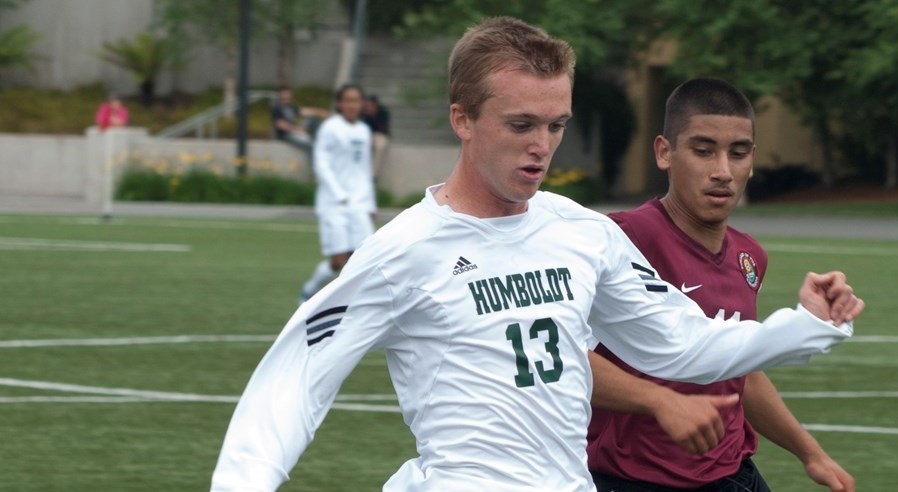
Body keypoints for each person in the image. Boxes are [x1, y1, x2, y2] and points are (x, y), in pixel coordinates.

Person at [211, 17, 863, 492]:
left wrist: (806, 327)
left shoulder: (580, 231)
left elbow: (678, 345)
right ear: (463, 119)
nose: (541, 147)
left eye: (556, 125)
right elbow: (294, 380)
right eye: (521, 124)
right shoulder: (404, 250)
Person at [587, 78, 855, 492]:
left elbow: (740, 372)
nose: (722, 172)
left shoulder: (749, 256)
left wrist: (809, 452)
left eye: (738, 153)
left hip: (734, 474)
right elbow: (561, 355)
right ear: (664, 153)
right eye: (703, 150)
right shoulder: (617, 240)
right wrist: (659, 401)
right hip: (634, 481)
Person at [298, 84, 376, 303]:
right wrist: (339, 194)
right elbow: (321, 164)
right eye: (348, 100)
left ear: (362, 104)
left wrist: (370, 204)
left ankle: (345, 306)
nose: (352, 105)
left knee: (362, 259)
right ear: (339, 104)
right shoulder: (330, 128)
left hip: (359, 203)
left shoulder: (363, 130)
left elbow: (364, 169)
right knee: (338, 260)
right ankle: (310, 289)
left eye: (356, 100)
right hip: (333, 203)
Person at [270, 86, 329, 153]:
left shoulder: (291, 107)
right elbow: (281, 125)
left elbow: (304, 111)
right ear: (280, 96)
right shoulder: (277, 108)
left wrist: (319, 112)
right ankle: (315, 161)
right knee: (310, 146)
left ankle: (320, 141)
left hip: (295, 131)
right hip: (286, 135)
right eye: (284, 97)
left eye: (288, 96)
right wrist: (298, 129)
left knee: (313, 120)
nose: (287, 98)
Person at [361, 94, 391, 178]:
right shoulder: (363, 114)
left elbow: (382, 128)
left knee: (380, 146)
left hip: (380, 135)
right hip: (366, 135)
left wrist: (373, 115)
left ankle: (373, 175)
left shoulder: (383, 112)